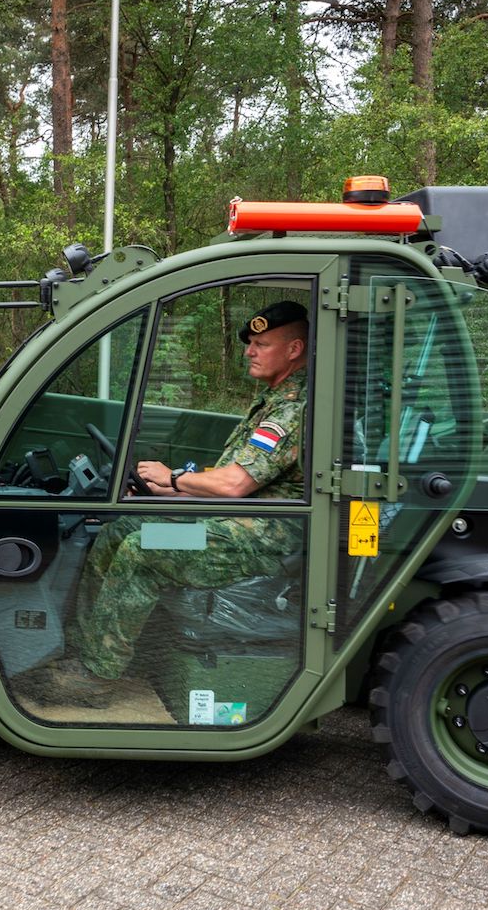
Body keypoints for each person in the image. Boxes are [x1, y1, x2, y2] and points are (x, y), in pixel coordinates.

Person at [17, 300, 309, 719]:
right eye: (250, 344)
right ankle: (85, 653)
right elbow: (237, 487)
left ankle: (98, 676)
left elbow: (235, 484)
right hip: (236, 523)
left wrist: (173, 480)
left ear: (294, 350)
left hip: (263, 538)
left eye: (261, 344)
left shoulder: (292, 409)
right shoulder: (273, 400)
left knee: (144, 547)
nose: (249, 351)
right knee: (121, 529)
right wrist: (166, 496)